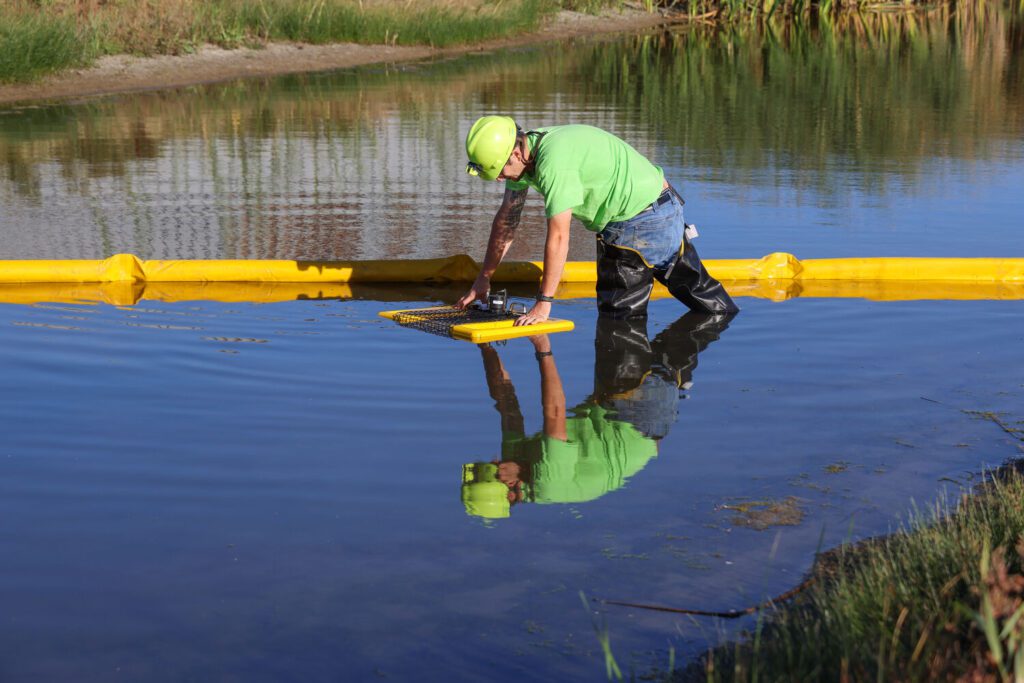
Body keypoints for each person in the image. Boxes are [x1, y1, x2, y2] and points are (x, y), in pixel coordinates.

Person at [456, 116, 739, 324]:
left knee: (618, 327)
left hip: (637, 225)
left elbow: (558, 237)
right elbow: (506, 221)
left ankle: (625, 397)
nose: (502, 180)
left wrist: (543, 305)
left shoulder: (554, 163)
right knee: (708, 301)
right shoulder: (529, 153)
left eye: (501, 173)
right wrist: (484, 279)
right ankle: (726, 343)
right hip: (664, 209)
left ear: (515, 153)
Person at [460, 312, 734, 519]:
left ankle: (685, 356)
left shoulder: (513, 462)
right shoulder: (548, 481)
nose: (495, 459)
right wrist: (542, 345)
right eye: (494, 469)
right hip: (641, 420)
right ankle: (711, 318)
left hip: (611, 410)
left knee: (619, 328)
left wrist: (487, 346)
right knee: (651, 327)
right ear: (510, 488)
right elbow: (554, 410)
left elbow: (505, 401)